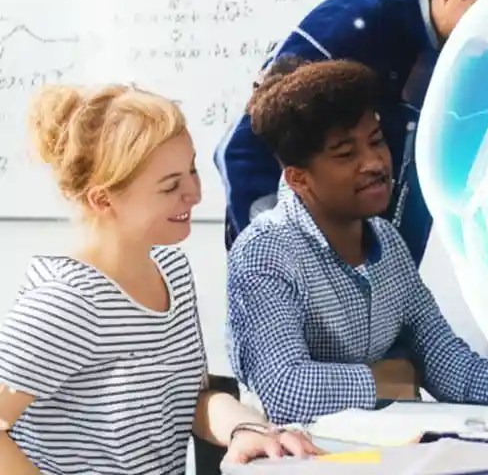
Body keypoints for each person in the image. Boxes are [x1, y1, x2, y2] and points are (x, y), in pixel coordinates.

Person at [0, 84, 316, 475]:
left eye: (192, 170)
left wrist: (245, 428)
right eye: (170, 186)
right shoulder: (64, 303)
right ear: (103, 200)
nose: (195, 194)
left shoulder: (172, 271)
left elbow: (189, 398)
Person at [226, 57, 488, 425]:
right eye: (346, 154)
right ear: (299, 178)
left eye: (376, 141)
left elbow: (442, 357)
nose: (375, 163)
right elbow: (285, 392)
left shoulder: (386, 241)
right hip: (294, 452)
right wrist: (386, 379)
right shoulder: (265, 251)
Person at [216, 0, 488, 264]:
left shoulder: (483, 58)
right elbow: (243, 148)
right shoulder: (356, 23)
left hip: (383, 272)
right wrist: (282, 258)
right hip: (296, 266)